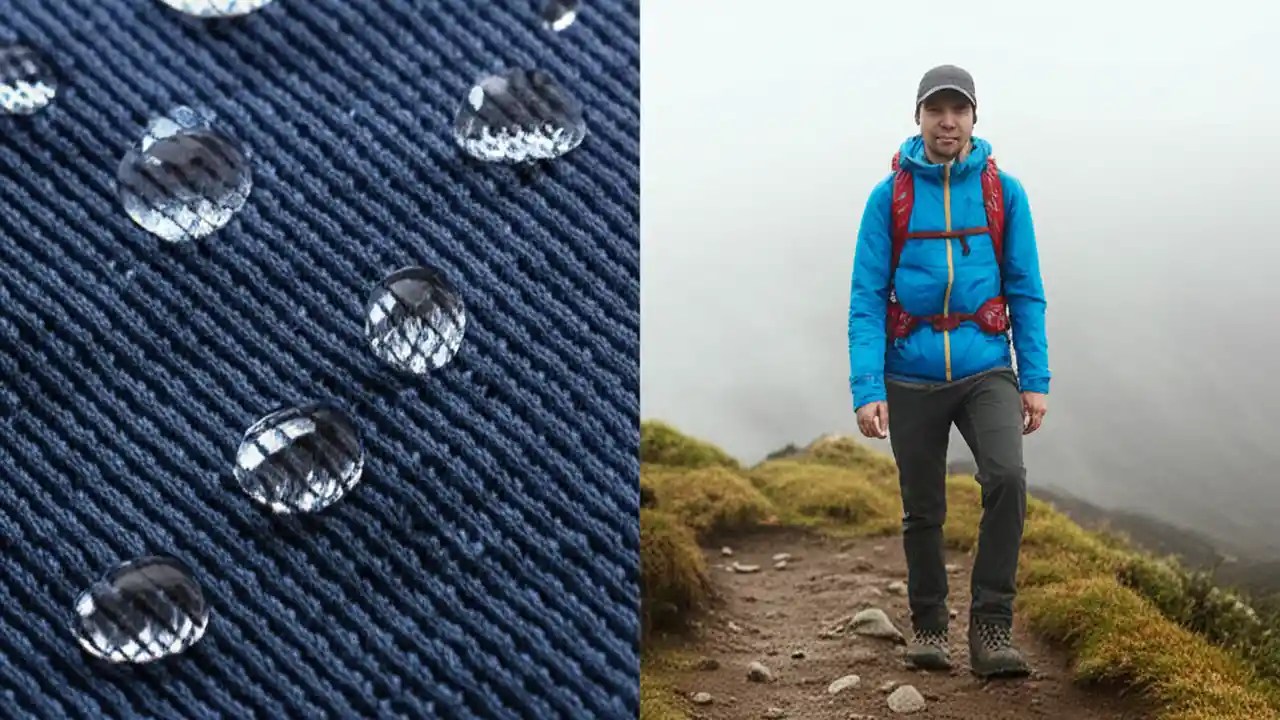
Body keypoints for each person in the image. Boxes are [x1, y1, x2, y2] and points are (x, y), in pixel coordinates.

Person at [845, 63, 1051, 678]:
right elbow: (865, 297)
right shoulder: (889, 198)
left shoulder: (1002, 192)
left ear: (973, 119)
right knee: (923, 508)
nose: (947, 121)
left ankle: (991, 627)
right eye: (936, 109)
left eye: (958, 110)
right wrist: (867, 386)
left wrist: (1035, 380)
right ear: (919, 117)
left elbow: (1026, 290)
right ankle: (929, 625)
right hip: (908, 372)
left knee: (1008, 479)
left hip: (986, 368)